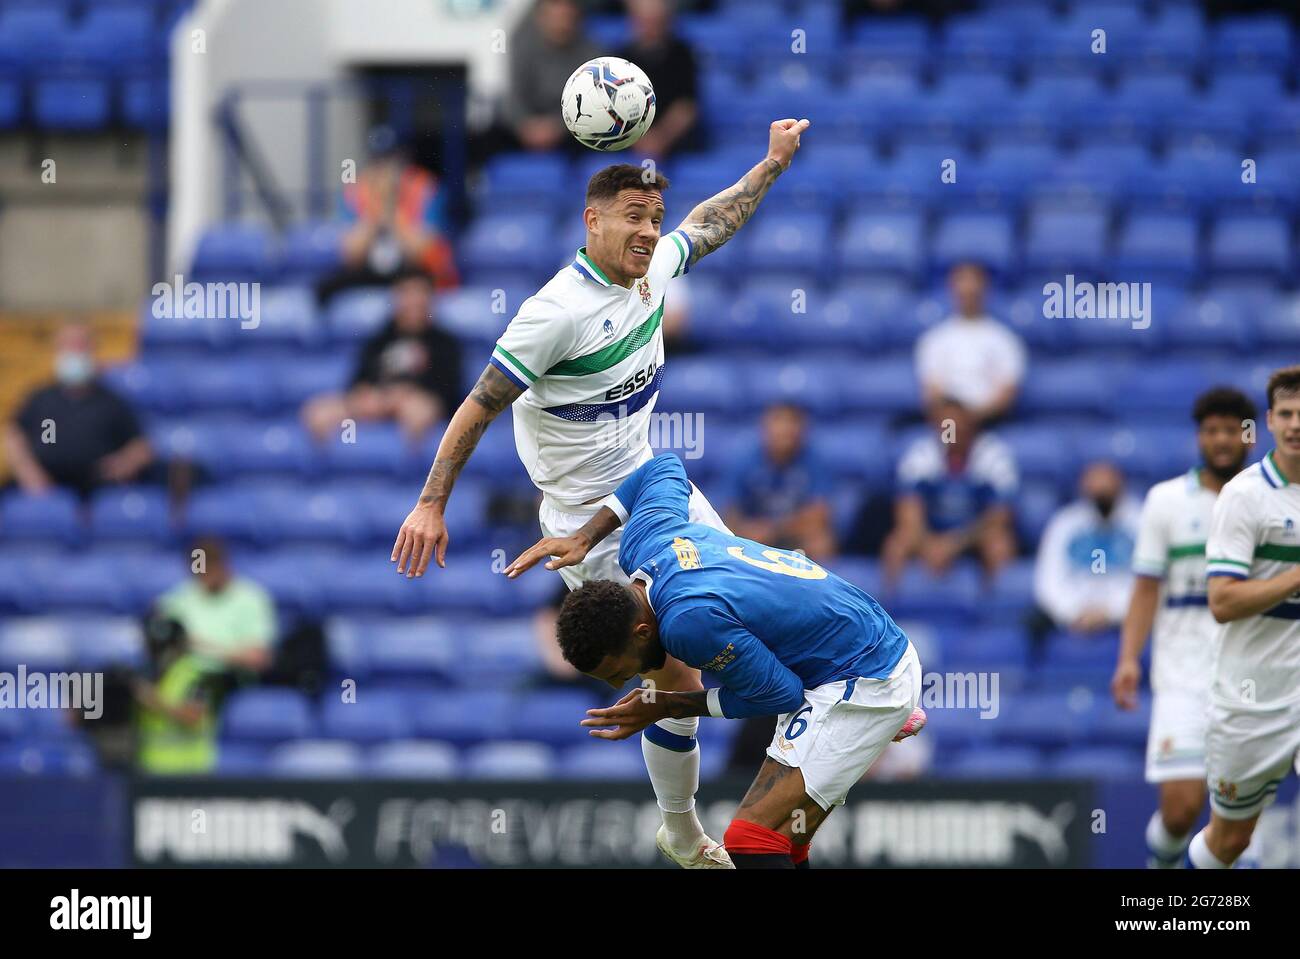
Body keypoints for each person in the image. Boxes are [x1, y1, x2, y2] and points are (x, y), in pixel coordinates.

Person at [391, 119, 812, 868]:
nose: (649, 230)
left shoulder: (651, 272)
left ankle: (862, 700)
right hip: (591, 526)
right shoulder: (555, 313)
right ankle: (681, 829)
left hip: (652, 487)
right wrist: (431, 501)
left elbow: (706, 225)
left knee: (770, 596)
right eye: (633, 216)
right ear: (592, 220)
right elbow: (477, 405)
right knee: (674, 666)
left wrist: (772, 163)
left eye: (653, 217)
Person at [503, 453, 927, 869]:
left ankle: (880, 715)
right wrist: (587, 536)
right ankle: (881, 718)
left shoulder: (688, 625)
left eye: (620, 671)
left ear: (641, 632)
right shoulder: (643, 544)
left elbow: (782, 694)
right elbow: (663, 466)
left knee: (750, 841)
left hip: (862, 674)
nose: (622, 683)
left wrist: (669, 705)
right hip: (856, 641)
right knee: (785, 839)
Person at [1110, 387, 1256, 868]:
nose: (1220, 440)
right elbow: (1146, 587)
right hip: (1183, 676)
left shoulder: (1268, 502)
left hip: (1252, 677)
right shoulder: (1166, 501)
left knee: (1231, 815)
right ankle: (1163, 863)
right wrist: (1129, 658)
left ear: (1249, 436)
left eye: (1230, 430)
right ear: (1199, 437)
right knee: (1181, 808)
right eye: (1211, 430)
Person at [1186, 366, 1300, 868]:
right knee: (1227, 843)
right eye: (1288, 414)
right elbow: (1223, 601)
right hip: (1253, 697)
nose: (1297, 424)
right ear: (1270, 422)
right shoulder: (1245, 496)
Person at [303, 268, 462, 442]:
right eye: (406, 293)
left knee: (416, 412)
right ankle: (336, 465)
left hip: (416, 405)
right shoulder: (379, 339)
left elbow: (449, 394)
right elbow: (357, 382)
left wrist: (405, 395)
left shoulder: (445, 343)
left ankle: (412, 466)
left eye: (419, 293)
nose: (413, 301)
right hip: (377, 401)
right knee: (318, 413)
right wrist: (372, 396)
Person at [4, 321, 155, 499]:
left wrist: (124, 463)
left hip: (98, 488)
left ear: (93, 350)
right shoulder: (40, 399)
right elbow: (13, 434)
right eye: (67, 346)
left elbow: (142, 447)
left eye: (80, 346)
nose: (74, 353)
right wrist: (28, 471)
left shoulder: (113, 402)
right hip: (44, 483)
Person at [882, 395, 1017, 585]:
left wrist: (953, 545)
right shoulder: (921, 454)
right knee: (896, 545)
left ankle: (996, 608)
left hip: (973, 534)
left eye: (959, 425)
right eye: (947, 425)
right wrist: (928, 543)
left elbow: (999, 517)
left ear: (971, 426)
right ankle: (888, 608)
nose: (953, 431)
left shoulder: (993, 455)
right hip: (930, 531)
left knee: (999, 545)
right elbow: (908, 512)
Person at [317, 126, 458, 303]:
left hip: (411, 271)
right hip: (371, 269)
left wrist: (390, 208)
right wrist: (375, 208)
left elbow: (422, 251)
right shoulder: (356, 191)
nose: (383, 168)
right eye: (377, 161)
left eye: (389, 160)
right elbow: (351, 254)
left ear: (403, 160)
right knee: (324, 289)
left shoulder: (424, 188)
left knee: (417, 286)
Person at [1034, 461, 1140, 635]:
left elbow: (1151, 582)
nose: (1102, 491)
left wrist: (1112, 613)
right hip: (1072, 618)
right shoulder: (1064, 523)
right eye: (1096, 487)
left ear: (1120, 484)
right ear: (1083, 486)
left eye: (1107, 487)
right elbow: (1048, 581)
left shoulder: (1140, 521)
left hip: (1126, 619)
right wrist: (1074, 612)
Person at [914, 262, 1026, 424]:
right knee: (945, 439)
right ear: (952, 288)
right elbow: (932, 391)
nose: (968, 290)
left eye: (974, 284)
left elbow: (1007, 392)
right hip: (949, 423)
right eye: (962, 283)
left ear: (985, 289)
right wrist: (956, 418)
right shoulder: (935, 339)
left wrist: (972, 419)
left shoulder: (1004, 339)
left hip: (989, 423)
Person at [722, 402, 835, 561]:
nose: (784, 429)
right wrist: (746, 529)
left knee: (820, 543)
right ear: (765, 428)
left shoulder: (814, 461)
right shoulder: (744, 461)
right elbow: (730, 512)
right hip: (755, 535)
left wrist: (776, 528)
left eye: (791, 422)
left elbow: (819, 513)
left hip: (795, 532)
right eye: (778, 421)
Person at [157, 537, 276, 677]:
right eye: (199, 566)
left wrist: (200, 646)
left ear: (224, 564)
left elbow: (258, 658)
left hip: (232, 677)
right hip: (185, 673)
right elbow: (161, 634)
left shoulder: (251, 598)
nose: (205, 573)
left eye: (211, 564)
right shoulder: (181, 596)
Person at [131, 613, 221, 775]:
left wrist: (154, 701)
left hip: (190, 772)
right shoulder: (144, 675)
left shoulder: (197, 676)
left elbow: (193, 716)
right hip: (150, 769)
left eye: (164, 647)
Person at [505, 0, 600, 153]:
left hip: (573, 131)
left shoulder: (593, 53)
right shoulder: (523, 45)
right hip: (529, 126)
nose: (560, 24)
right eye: (554, 17)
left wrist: (558, 127)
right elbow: (514, 95)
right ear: (540, 18)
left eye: (566, 17)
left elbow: (593, 102)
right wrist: (524, 125)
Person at [617, 0, 701, 157]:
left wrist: (660, 138)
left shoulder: (683, 55)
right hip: (629, 142)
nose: (651, 27)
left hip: (675, 142)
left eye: (656, 21)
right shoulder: (620, 58)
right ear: (634, 22)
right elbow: (613, 107)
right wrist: (638, 139)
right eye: (645, 21)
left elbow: (686, 107)